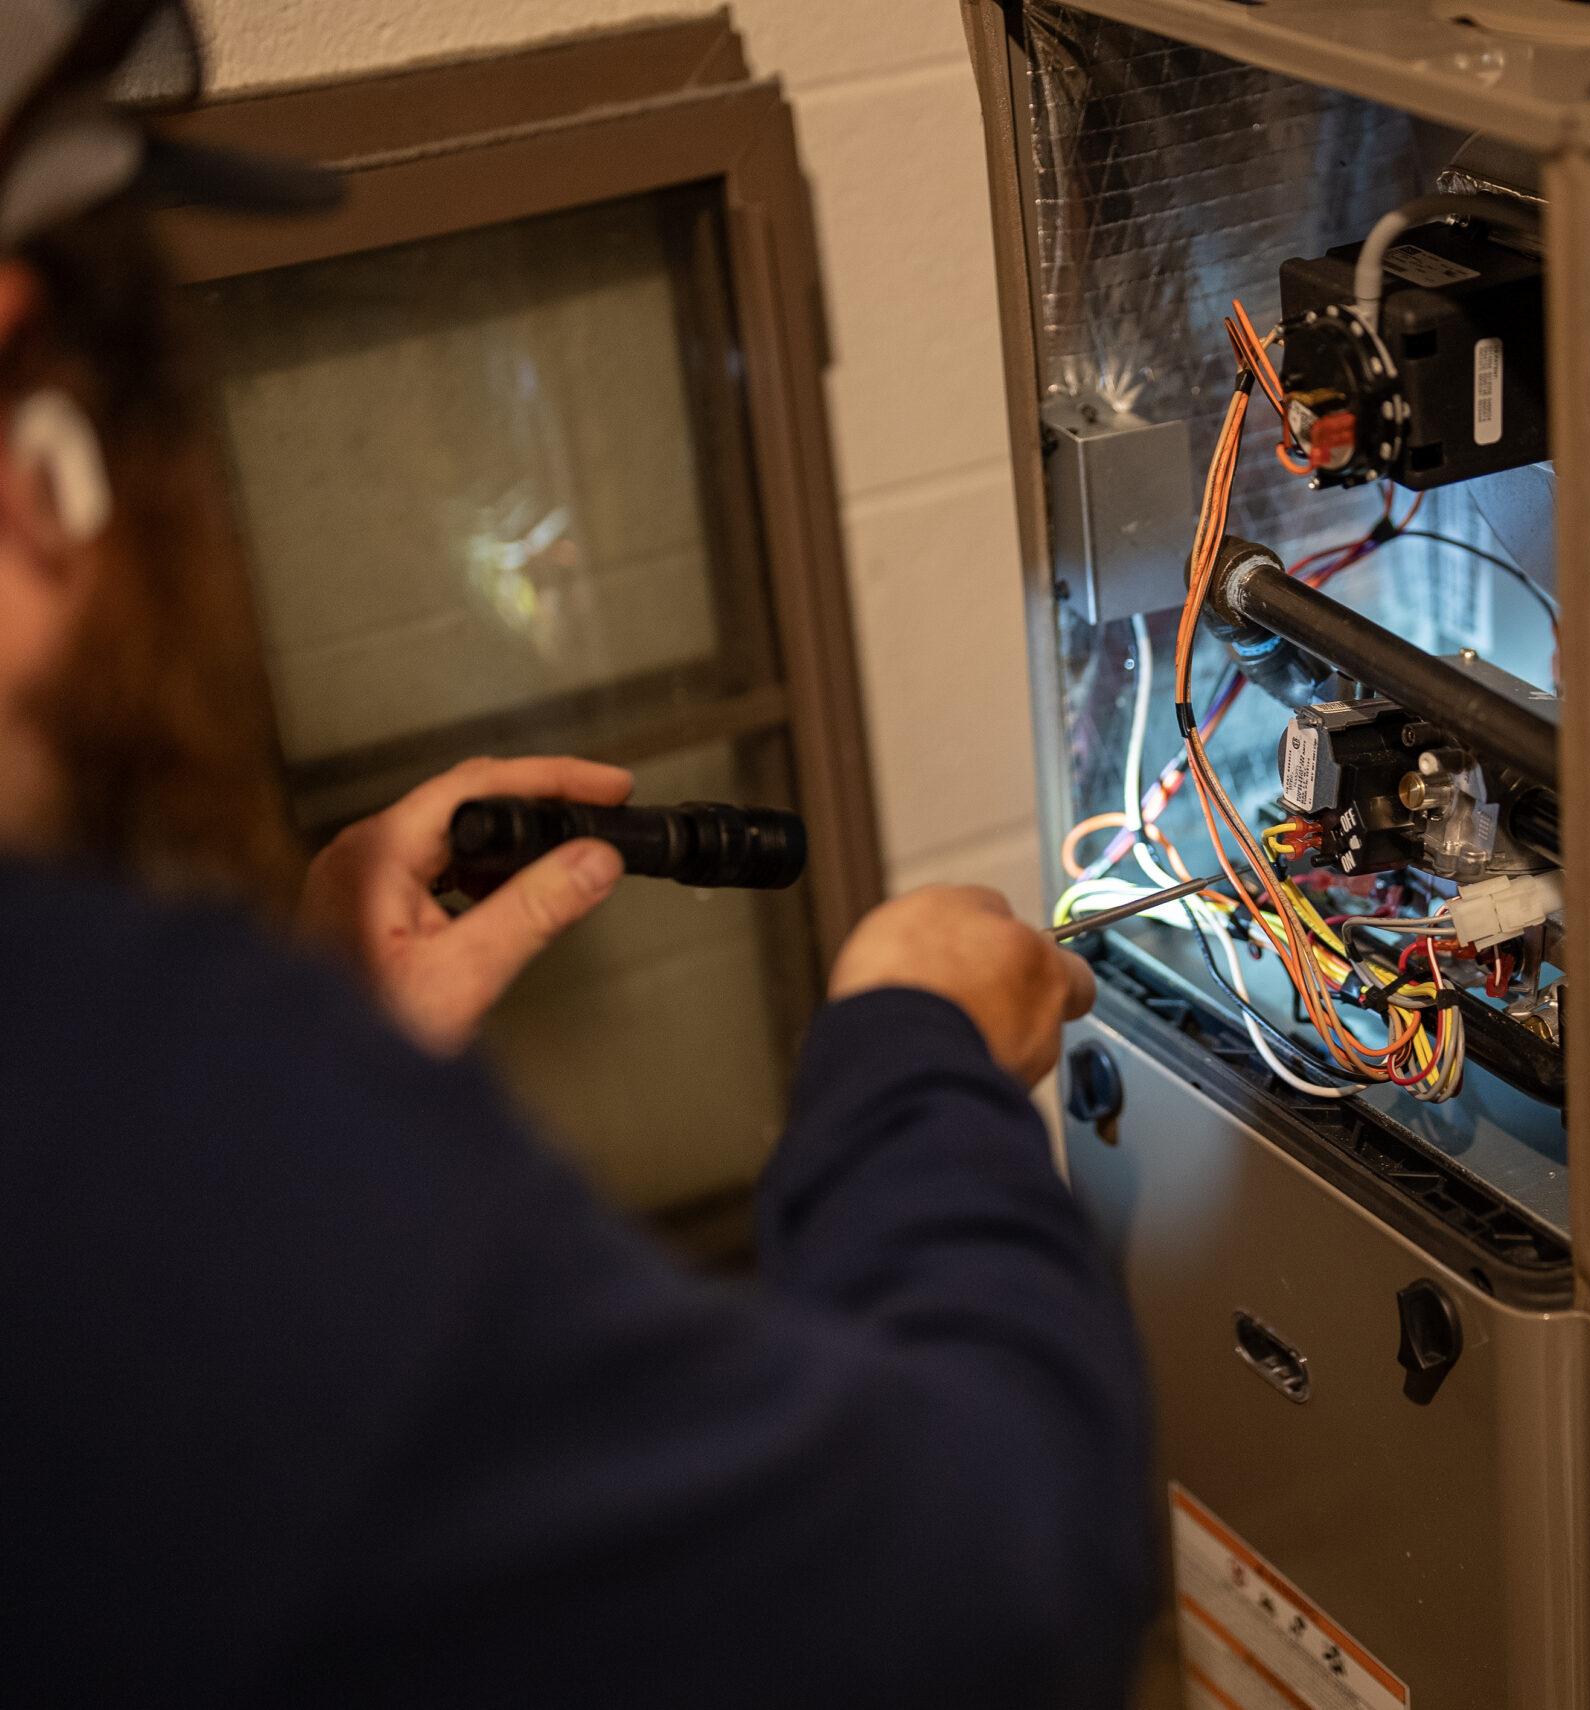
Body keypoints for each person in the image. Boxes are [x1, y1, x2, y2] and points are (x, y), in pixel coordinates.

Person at [0, 4, 1150, 1704]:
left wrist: (326, 1049)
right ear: (45, 462)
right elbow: (1000, 1562)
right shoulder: (137, 1132)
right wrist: (913, 1068)